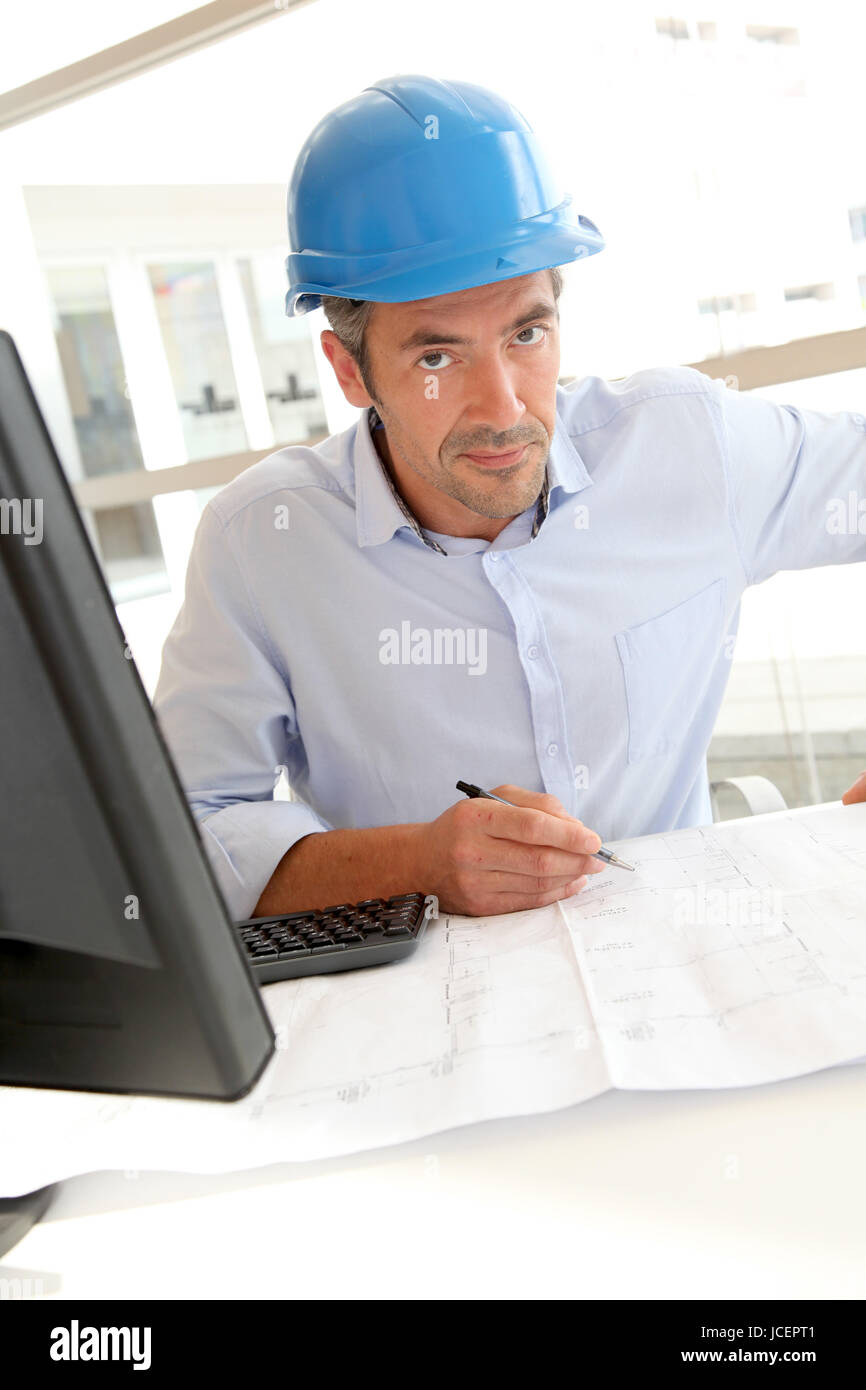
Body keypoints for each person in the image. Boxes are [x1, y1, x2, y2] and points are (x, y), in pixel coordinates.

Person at [153, 75, 866, 921]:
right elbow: (183, 837)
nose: (504, 408)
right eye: (436, 357)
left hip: (692, 974)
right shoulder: (260, 542)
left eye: (527, 334)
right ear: (351, 371)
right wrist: (416, 863)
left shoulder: (686, 445)